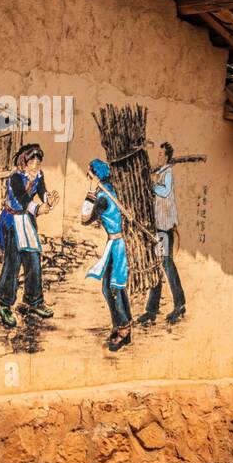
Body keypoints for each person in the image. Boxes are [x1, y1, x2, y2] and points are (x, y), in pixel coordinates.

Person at [0, 143, 58, 328]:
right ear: (24, 160)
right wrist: (39, 209)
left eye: (38, 160)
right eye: (32, 160)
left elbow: (42, 191)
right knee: (13, 263)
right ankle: (3, 305)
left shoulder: (38, 175)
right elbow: (23, 199)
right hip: (12, 221)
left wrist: (48, 200)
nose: (36, 163)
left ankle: (34, 300)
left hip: (27, 222)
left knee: (34, 260)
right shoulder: (15, 177)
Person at [81, 159, 132, 351]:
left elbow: (85, 219)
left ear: (95, 176)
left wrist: (91, 192)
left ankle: (124, 330)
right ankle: (121, 324)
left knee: (113, 288)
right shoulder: (111, 190)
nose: (88, 177)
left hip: (117, 245)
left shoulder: (103, 197)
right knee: (111, 287)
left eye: (90, 174)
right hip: (116, 243)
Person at [136, 141, 187, 326]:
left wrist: (151, 184)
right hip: (158, 226)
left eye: (160, 155)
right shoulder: (161, 172)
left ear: (166, 157)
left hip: (165, 227)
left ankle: (179, 305)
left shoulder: (168, 173)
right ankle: (152, 309)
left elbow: (164, 192)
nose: (157, 157)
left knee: (166, 263)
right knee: (157, 265)